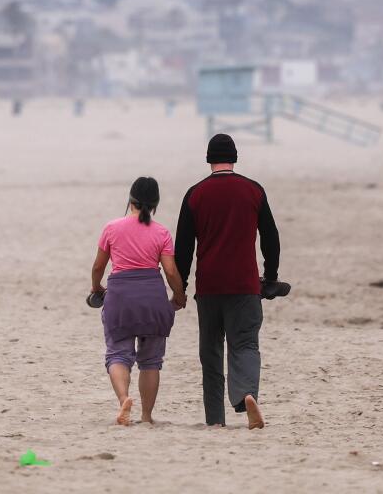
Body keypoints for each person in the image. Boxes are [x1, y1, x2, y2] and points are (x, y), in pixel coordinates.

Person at [175, 133, 281, 429]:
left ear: (209, 159)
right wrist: (270, 277)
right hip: (245, 286)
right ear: (235, 158)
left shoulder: (195, 194)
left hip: (208, 289)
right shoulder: (253, 190)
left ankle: (215, 420)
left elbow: (183, 248)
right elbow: (271, 239)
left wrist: (180, 288)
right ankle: (247, 395)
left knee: (210, 354)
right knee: (245, 345)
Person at [90, 176, 187, 426]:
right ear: (155, 203)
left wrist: (96, 288)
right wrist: (179, 295)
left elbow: (99, 265)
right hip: (152, 299)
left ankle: (124, 399)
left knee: (117, 355)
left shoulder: (112, 228)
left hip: (120, 297)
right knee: (151, 361)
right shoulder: (161, 232)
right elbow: (171, 271)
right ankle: (146, 416)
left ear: (130, 199)